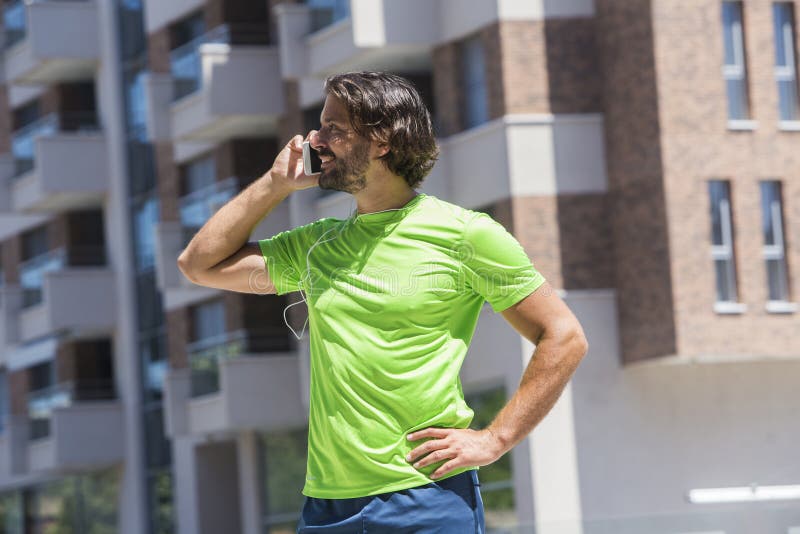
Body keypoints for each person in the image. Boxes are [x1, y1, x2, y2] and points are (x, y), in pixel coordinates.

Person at [177, 71, 588, 533]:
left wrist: (496, 438)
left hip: (427, 497)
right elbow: (199, 265)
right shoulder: (316, 245)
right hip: (327, 505)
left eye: (334, 126)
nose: (316, 139)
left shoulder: (467, 235)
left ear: (382, 141)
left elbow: (564, 335)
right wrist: (273, 185)